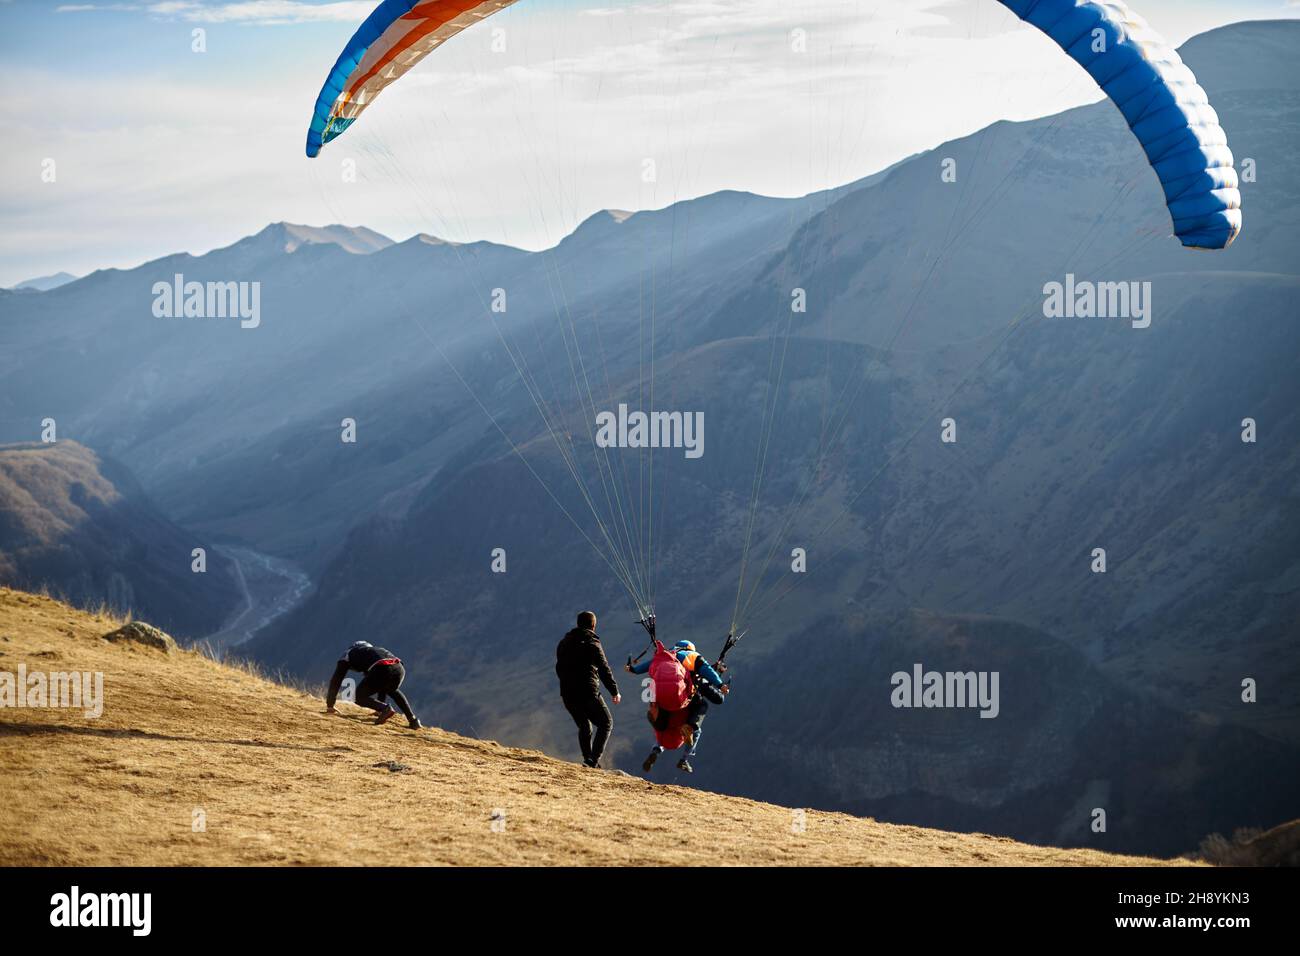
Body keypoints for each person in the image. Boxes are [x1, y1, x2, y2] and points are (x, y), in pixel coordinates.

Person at [629, 639, 728, 773]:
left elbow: (643, 667)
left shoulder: (666, 654)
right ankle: (684, 759)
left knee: (665, 728)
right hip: (683, 700)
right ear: (690, 649)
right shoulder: (691, 656)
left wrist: (632, 668)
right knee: (699, 717)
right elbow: (705, 670)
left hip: (662, 701)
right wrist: (720, 684)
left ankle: (656, 749)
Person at [555, 611, 621, 768]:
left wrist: (567, 684)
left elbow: (559, 668)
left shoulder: (563, 642)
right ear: (594, 626)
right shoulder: (592, 643)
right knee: (606, 723)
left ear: (578, 624)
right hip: (587, 692)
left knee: (585, 726)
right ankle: (592, 761)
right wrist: (614, 691)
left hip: (567, 693)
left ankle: (588, 760)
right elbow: (604, 669)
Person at [325, 640, 422, 729]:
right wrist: (379, 709)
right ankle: (413, 720)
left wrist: (330, 705)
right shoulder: (376, 651)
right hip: (399, 668)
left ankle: (385, 709)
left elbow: (336, 680)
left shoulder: (348, 654)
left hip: (381, 668)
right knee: (391, 690)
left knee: (357, 697)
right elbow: (381, 686)